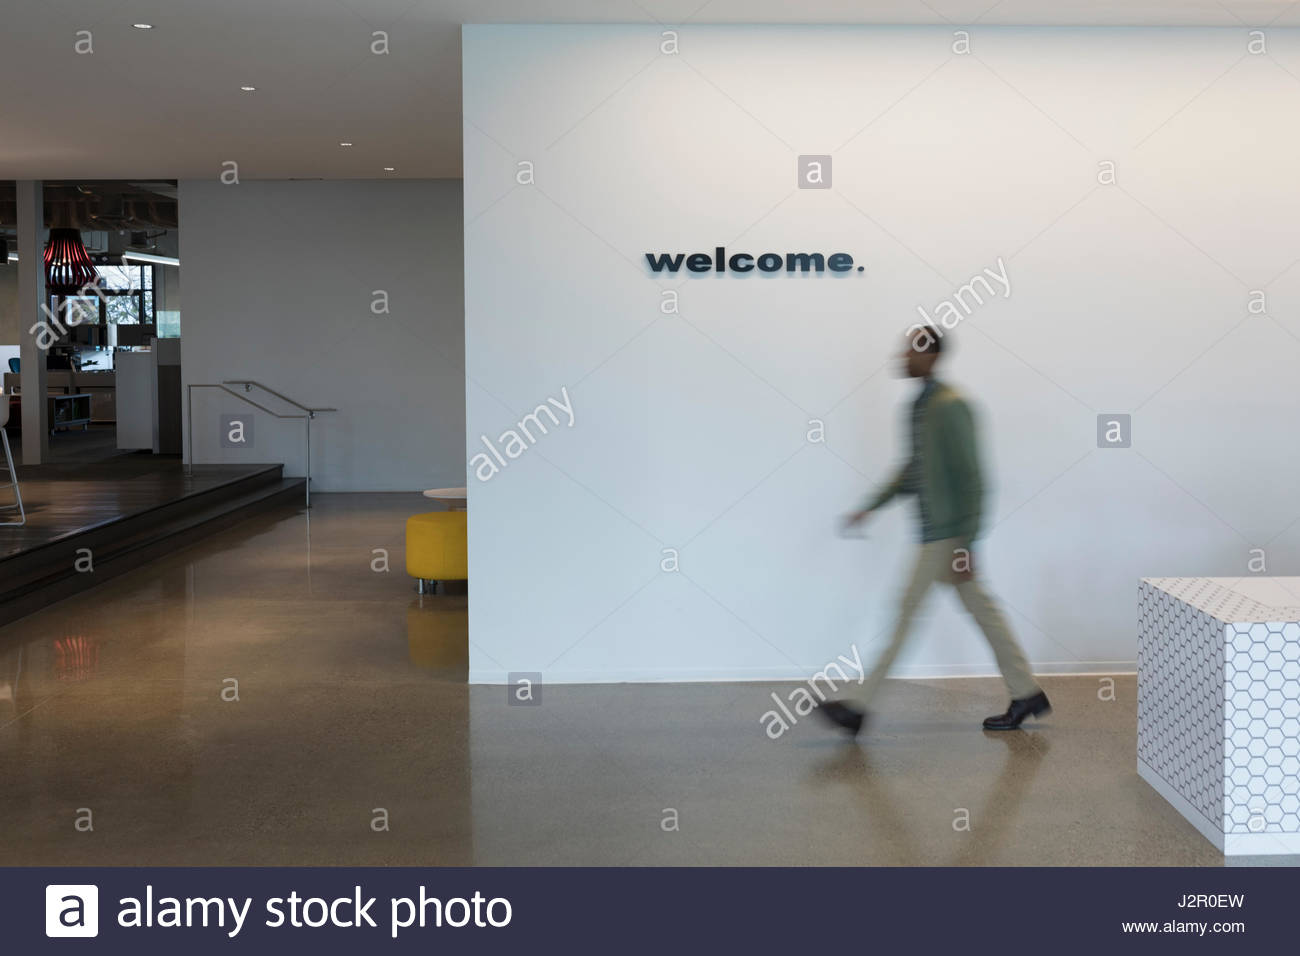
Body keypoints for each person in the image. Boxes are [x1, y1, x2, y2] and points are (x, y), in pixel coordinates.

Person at [817, 325, 1050, 738]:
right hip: (935, 533)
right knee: (983, 612)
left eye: (911, 350)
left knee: (905, 612)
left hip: (947, 537)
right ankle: (1026, 693)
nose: (903, 356)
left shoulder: (950, 405)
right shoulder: (919, 408)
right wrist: (870, 507)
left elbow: (974, 478)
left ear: (931, 357)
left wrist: (968, 543)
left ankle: (860, 708)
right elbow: (913, 471)